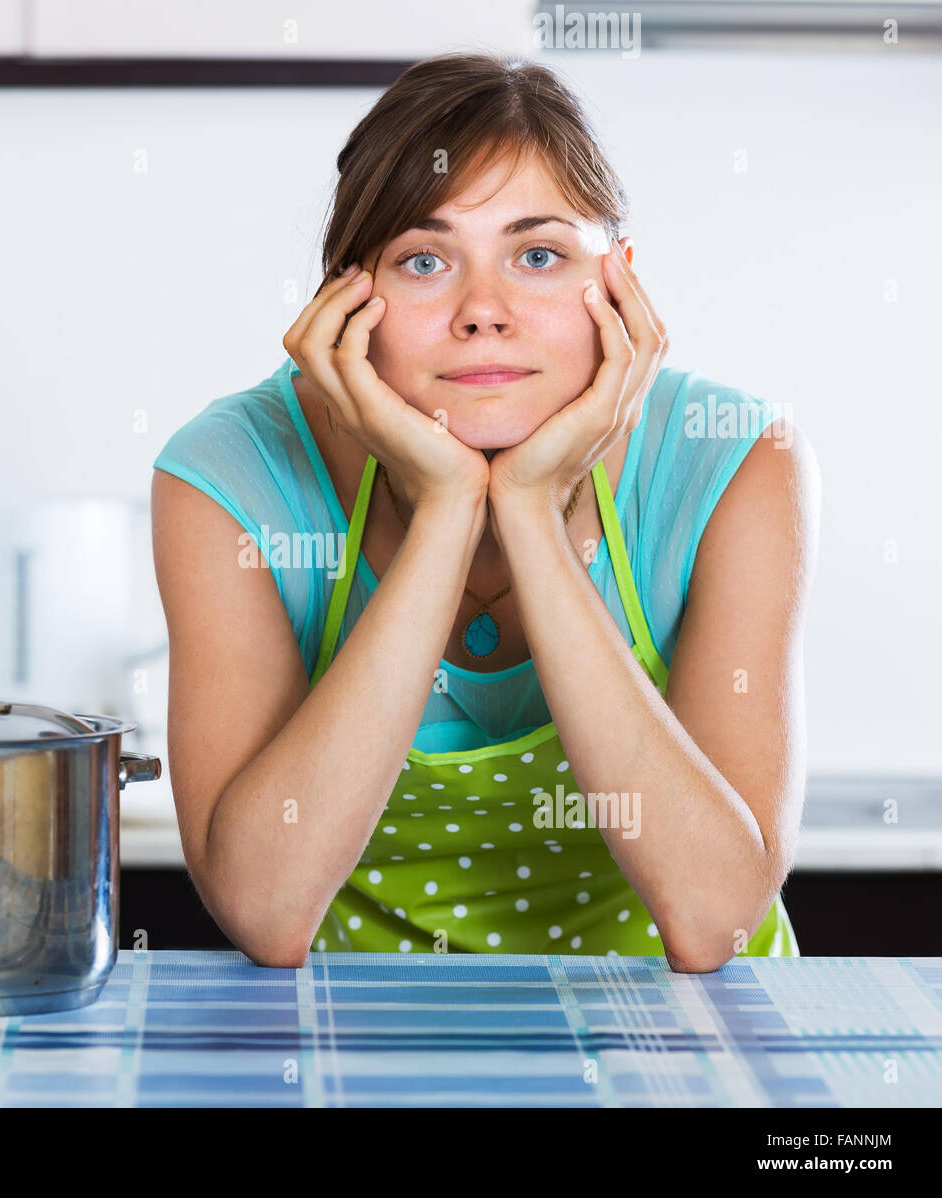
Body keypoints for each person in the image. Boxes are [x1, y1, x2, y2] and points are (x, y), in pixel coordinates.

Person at [150, 52, 819, 971]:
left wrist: (533, 514)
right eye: (425, 262)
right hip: (365, 1038)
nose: (483, 312)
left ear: (621, 285)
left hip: (678, 1042)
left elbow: (716, 922)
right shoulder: (229, 473)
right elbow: (266, 909)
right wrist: (447, 510)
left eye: (537, 256)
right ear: (348, 301)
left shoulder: (737, 460)